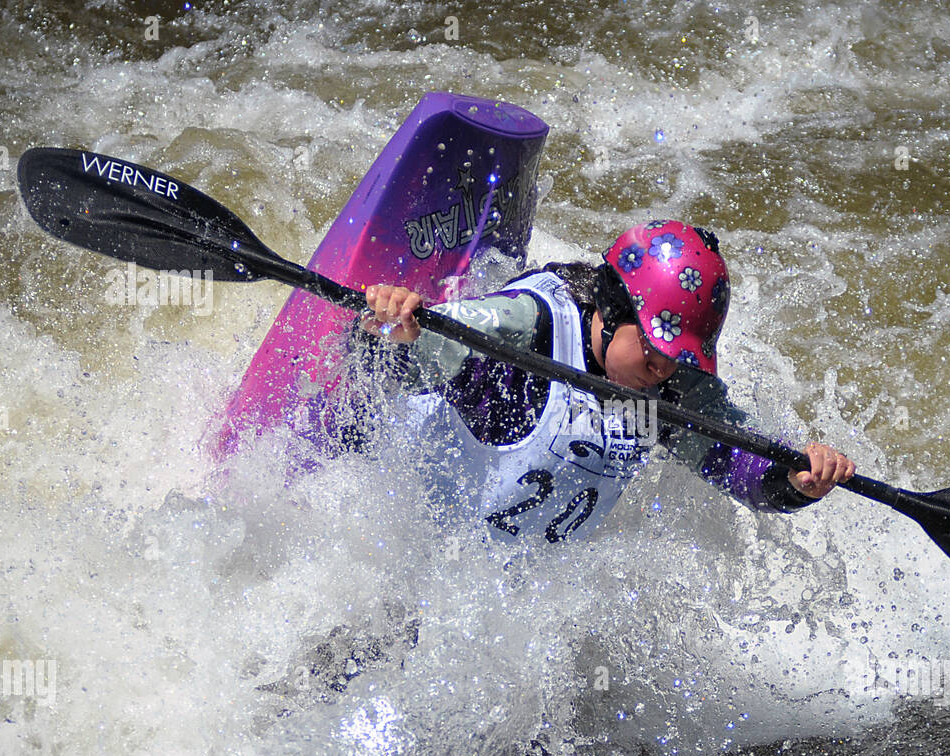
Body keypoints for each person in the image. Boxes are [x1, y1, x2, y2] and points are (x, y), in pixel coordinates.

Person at [350, 220, 854, 543]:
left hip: (510, 603)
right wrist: (397, 326)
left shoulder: (666, 389)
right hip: (407, 537)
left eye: (682, 359)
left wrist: (793, 478)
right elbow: (389, 363)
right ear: (613, 312)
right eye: (657, 352)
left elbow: (732, 459)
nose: (666, 370)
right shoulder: (524, 330)